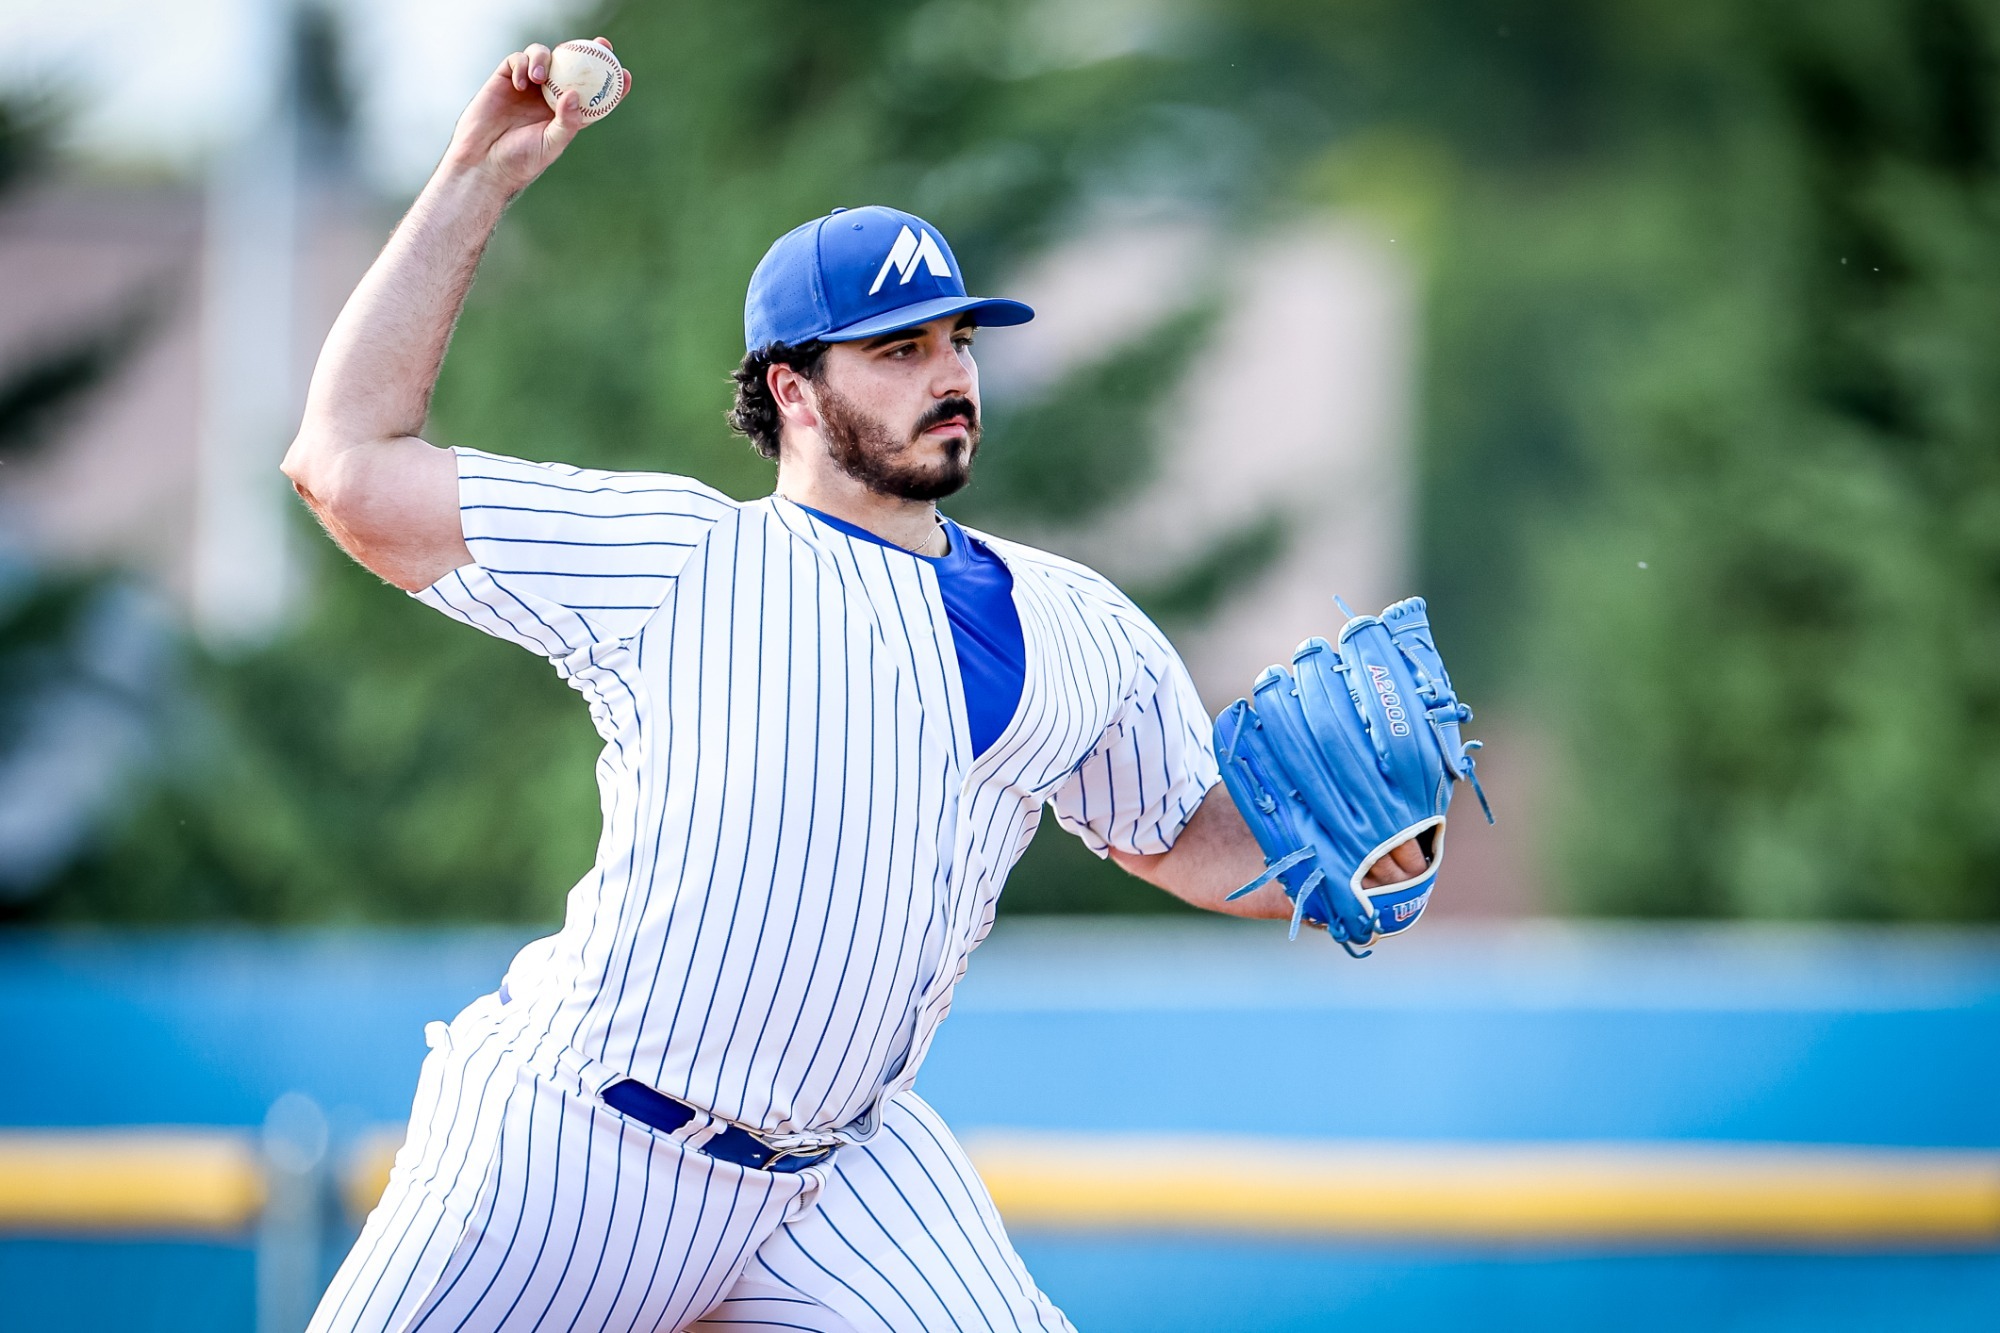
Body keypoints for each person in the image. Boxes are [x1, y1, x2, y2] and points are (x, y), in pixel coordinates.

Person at [286, 38, 1429, 1333]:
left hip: (837, 1171)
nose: (948, 372)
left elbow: (1176, 830)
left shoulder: (1077, 624)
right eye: (896, 349)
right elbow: (345, 464)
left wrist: (1357, 850)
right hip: (579, 1145)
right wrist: (471, 182)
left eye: (955, 339)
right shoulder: (681, 559)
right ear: (795, 388)